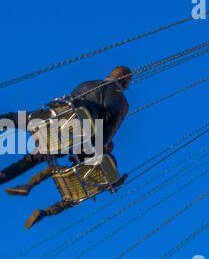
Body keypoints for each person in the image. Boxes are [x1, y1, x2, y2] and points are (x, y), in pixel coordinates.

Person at [0, 67, 132, 189]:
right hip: (73, 137)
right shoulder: (122, 103)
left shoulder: (85, 84)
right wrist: (92, 154)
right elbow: (107, 134)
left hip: (56, 120)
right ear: (125, 82)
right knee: (32, 159)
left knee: (14, 119)